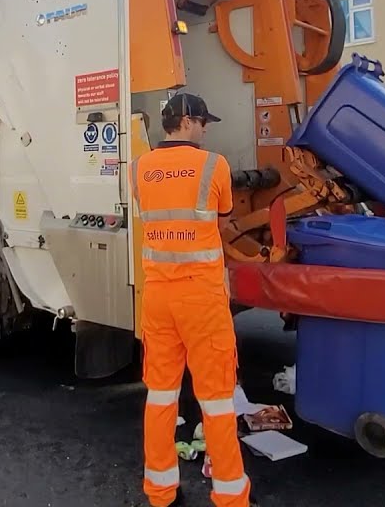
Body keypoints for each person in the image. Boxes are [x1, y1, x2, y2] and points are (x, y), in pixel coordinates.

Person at [132, 92, 253, 507]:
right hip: (201, 299)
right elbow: (223, 217)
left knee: (160, 396)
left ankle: (161, 492)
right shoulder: (214, 166)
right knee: (216, 402)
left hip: (158, 298)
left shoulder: (140, 167)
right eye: (203, 123)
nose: (205, 131)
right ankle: (231, 496)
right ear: (187, 122)